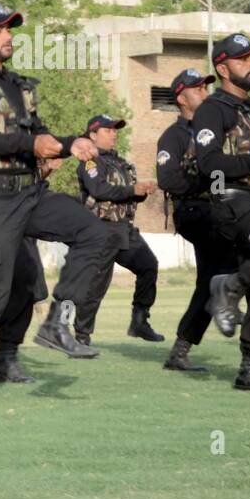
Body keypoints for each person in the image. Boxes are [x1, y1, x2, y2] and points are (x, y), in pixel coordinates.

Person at [0, 2, 112, 409]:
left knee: (96, 233)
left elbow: (39, 133)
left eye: (10, 29)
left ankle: (56, 323)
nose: (8, 35)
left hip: (29, 192)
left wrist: (71, 143)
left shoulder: (16, 85)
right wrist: (29, 145)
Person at [198, 33, 250, 392]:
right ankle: (230, 286)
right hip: (232, 200)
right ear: (222, 67)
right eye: (244, 59)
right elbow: (208, 166)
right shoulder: (212, 109)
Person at [155, 68, 236, 372]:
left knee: (208, 283)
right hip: (194, 212)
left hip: (219, 210)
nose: (204, 92)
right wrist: (205, 183)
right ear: (181, 98)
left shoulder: (217, 130)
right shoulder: (173, 136)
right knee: (236, 260)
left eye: (205, 87)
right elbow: (168, 180)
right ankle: (227, 300)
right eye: (198, 88)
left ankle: (179, 352)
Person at [74, 114, 163, 344]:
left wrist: (142, 190)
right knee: (97, 284)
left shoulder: (120, 162)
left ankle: (140, 321)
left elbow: (126, 196)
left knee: (148, 265)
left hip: (124, 228)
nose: (114, 133)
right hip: (100, 229)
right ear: (92, 135)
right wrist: (132, 190)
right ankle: (81, 336)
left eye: (115, 129)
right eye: (108, 130)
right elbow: (99, 189)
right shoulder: (90, 161)